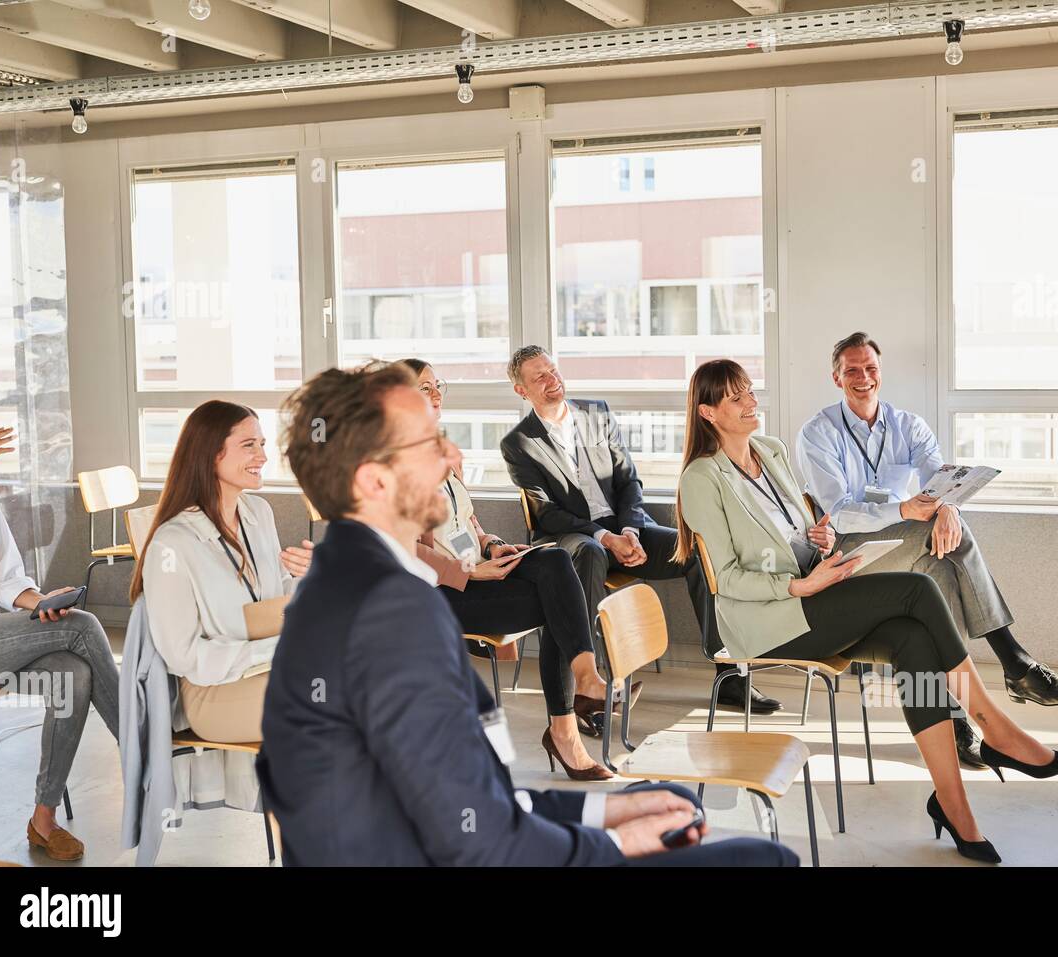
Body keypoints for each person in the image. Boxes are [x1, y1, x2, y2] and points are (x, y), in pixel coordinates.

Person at [258, 360, 796, 866]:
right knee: (767, 858)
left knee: (670, 801)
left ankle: (581, 717)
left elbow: (473, 800)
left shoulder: (360, 588)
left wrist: (603, 810)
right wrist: (611, 843)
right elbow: (480, 841)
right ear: (375, 481)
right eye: (428, 443)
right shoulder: (389, 620)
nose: (450, 457)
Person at [676, 359, 1058, 862]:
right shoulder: (702, 478)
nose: (750, 402)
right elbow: (730, 580)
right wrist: (800, 584)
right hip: (770, 624)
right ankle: (994, 725)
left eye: (748, 392)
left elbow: (799, 533)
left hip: (815, 588)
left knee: (912, 638)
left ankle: (953, 804)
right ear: (708, 412)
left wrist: (819, 541)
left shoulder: (770, 450)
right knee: (916, 591)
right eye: (736, 398)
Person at [794, 332, 1058, 768]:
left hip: (902, 544)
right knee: (950, 542)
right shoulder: (818, 433)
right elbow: (839, 513)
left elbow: (942, 480)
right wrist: (908, 508)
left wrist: (949, 506)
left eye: (871, 368)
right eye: (853, 370)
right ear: (836, 377)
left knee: (940, 571)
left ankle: (955, 720)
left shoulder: (908, 425)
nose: (864, 378)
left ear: (881, 371)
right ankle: (1016, 663)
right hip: (845, 554)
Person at [499, 345, 782, 716]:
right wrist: (606, 538)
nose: (552, 381)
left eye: (553, 371)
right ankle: (591, 689)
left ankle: (730, 677)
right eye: (540, 377)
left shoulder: (595, 413)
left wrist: (630, 529)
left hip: (625, 528)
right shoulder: (517, 444)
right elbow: (546, 514)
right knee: (590, 553)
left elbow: (628, 480)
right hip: (574, 539)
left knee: (700, 550)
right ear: (522, 390)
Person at [401, 357, 617, 780]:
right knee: (557, 601)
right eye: (423, 388)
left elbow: (466, 521)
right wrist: (468, 573)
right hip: (440, 592)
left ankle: (584, 681)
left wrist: (492, 545)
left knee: (555, 559)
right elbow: (399, 547)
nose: (436, 394)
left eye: (436, 385)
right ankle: (569, 723)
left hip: (475, 567)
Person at [0, 400, 119, 861]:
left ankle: (43, 818)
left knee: (71, 672)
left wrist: (41, 604)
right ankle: (144, 747)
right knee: (86, 625)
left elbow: (2, 575)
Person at [130, 401, 313, 744]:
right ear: (211, 454)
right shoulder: (173, 544)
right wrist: (277, 648)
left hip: (269, 669)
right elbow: (181, 655)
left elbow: (273, 599)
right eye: (249, 445)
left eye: (262, 445)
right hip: (212, 693)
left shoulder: (258, 513)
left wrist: (309, 578)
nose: (262, 456)